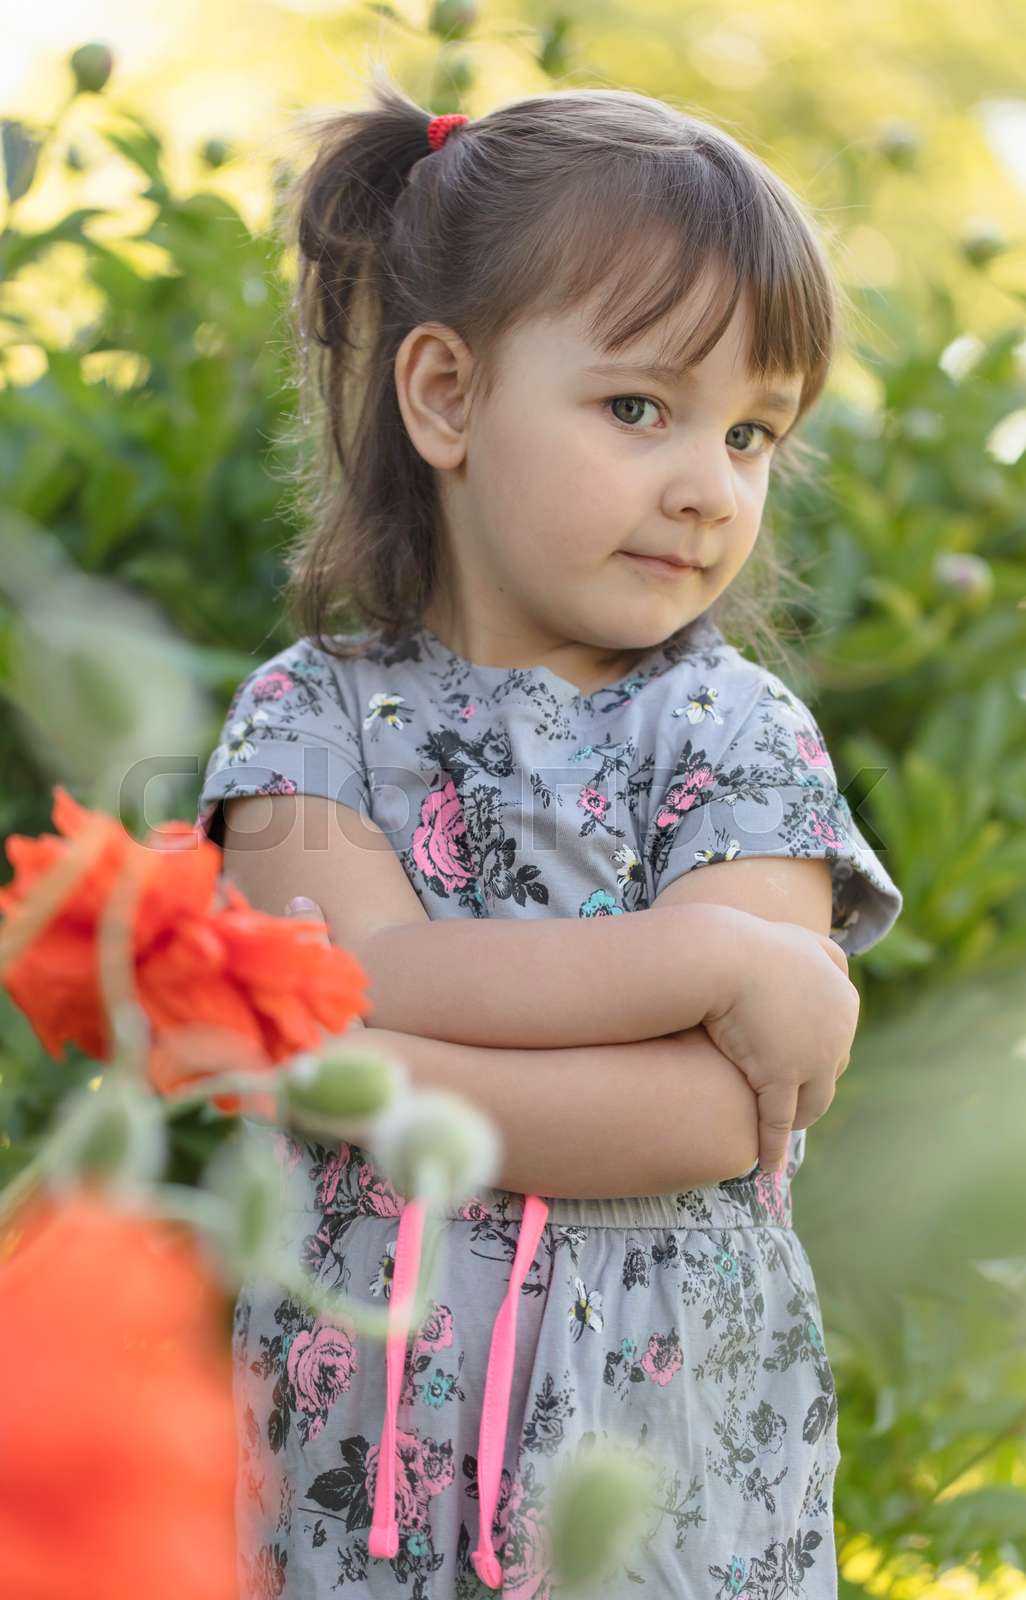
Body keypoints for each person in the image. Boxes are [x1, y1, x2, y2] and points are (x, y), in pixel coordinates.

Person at [194, 69, 904, 1599]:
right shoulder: (307, 721)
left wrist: (361, 1075)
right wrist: (707, 957)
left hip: (666, 1473)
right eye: (640, 406)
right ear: (446, 395)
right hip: (360, 1460)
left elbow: (721, 1121)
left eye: (752, 435)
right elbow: (345, 986)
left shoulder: (735, 737)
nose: (706, 489)